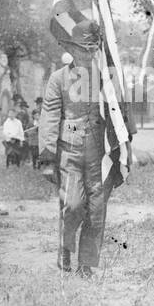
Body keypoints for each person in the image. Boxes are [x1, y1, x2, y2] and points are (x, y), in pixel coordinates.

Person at [37, 19, 128, 277]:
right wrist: (46, 158)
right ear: (72, 50)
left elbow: (120, 115)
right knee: (74, 206)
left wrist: (124, 150)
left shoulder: (106, 80)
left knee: (97, 211)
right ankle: (65, 248)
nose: (87, 54)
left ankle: (86, 264)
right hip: (70, 154)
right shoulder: (59, 79)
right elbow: (50, 118)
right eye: (82, 49)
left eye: (92, 49)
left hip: (100, 156)